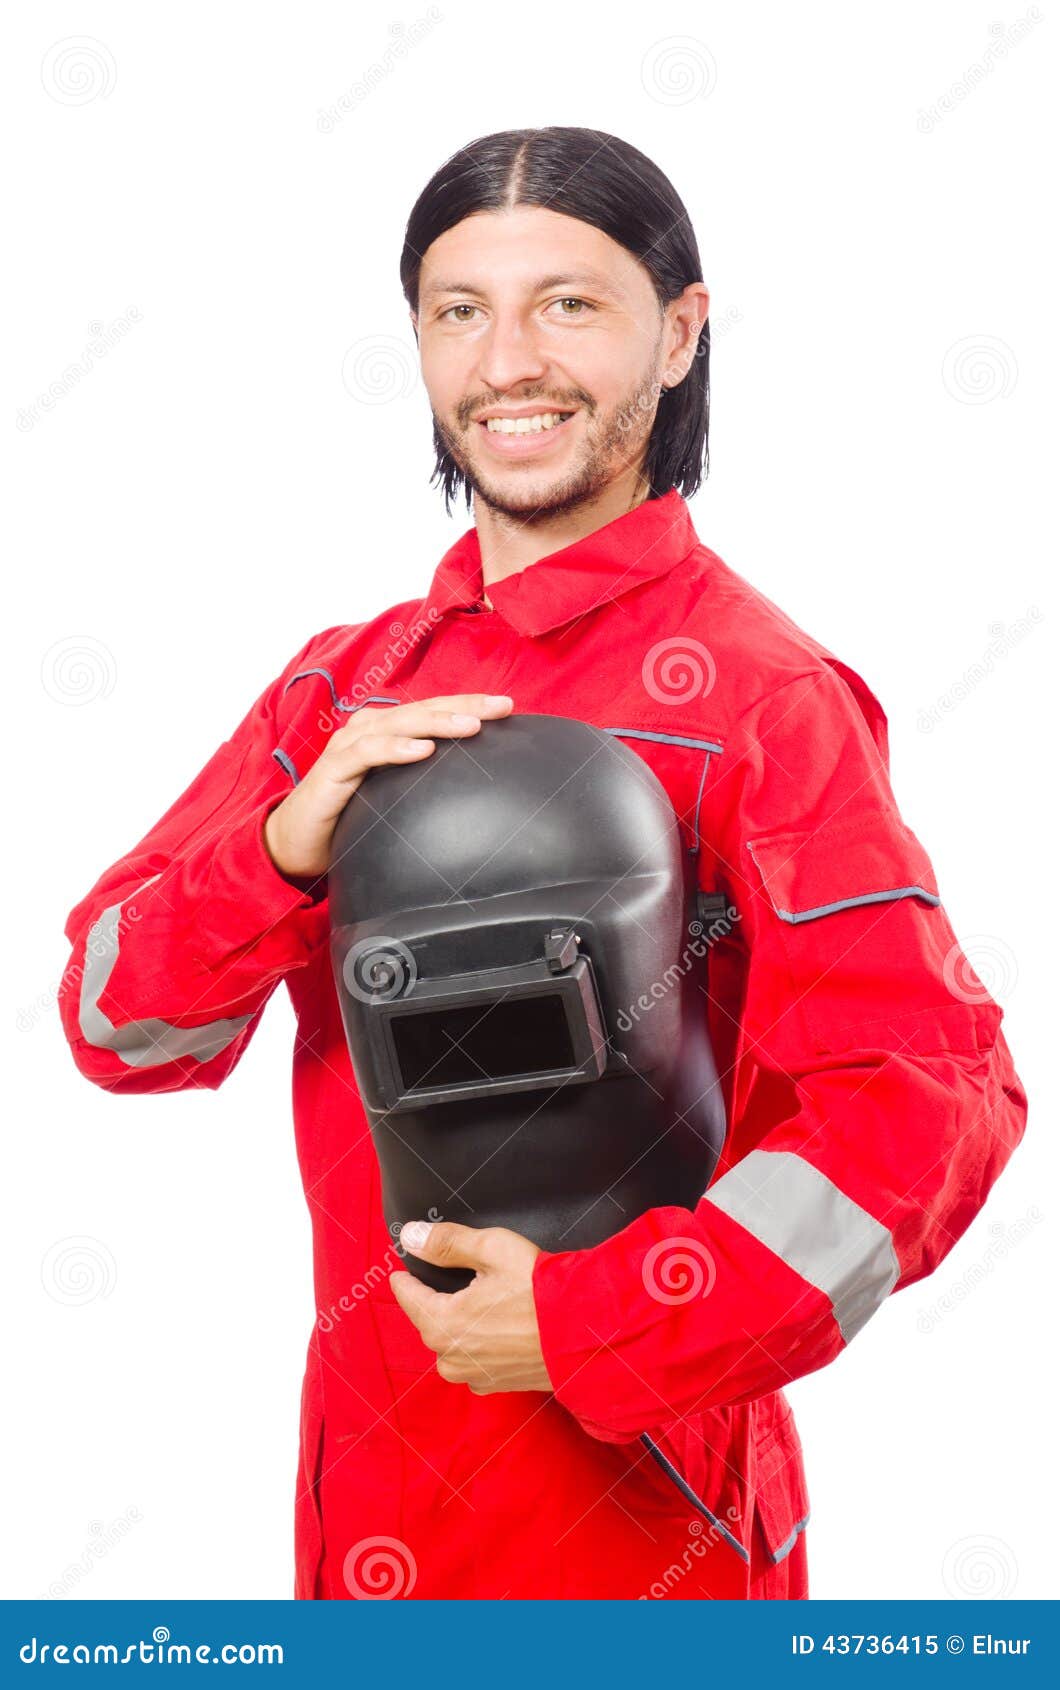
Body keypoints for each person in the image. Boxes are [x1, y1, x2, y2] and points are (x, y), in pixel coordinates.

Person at [59, 127, 1027, 1601]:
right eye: (461, 310)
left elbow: (932, 1101)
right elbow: (115, 1021)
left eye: (569, 303)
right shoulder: (339, 694)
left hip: (649, 1531)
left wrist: (603, 1319)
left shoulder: (764, 701)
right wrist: (276, 851)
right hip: (368, 1518)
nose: (508, 359)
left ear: (681, 329)